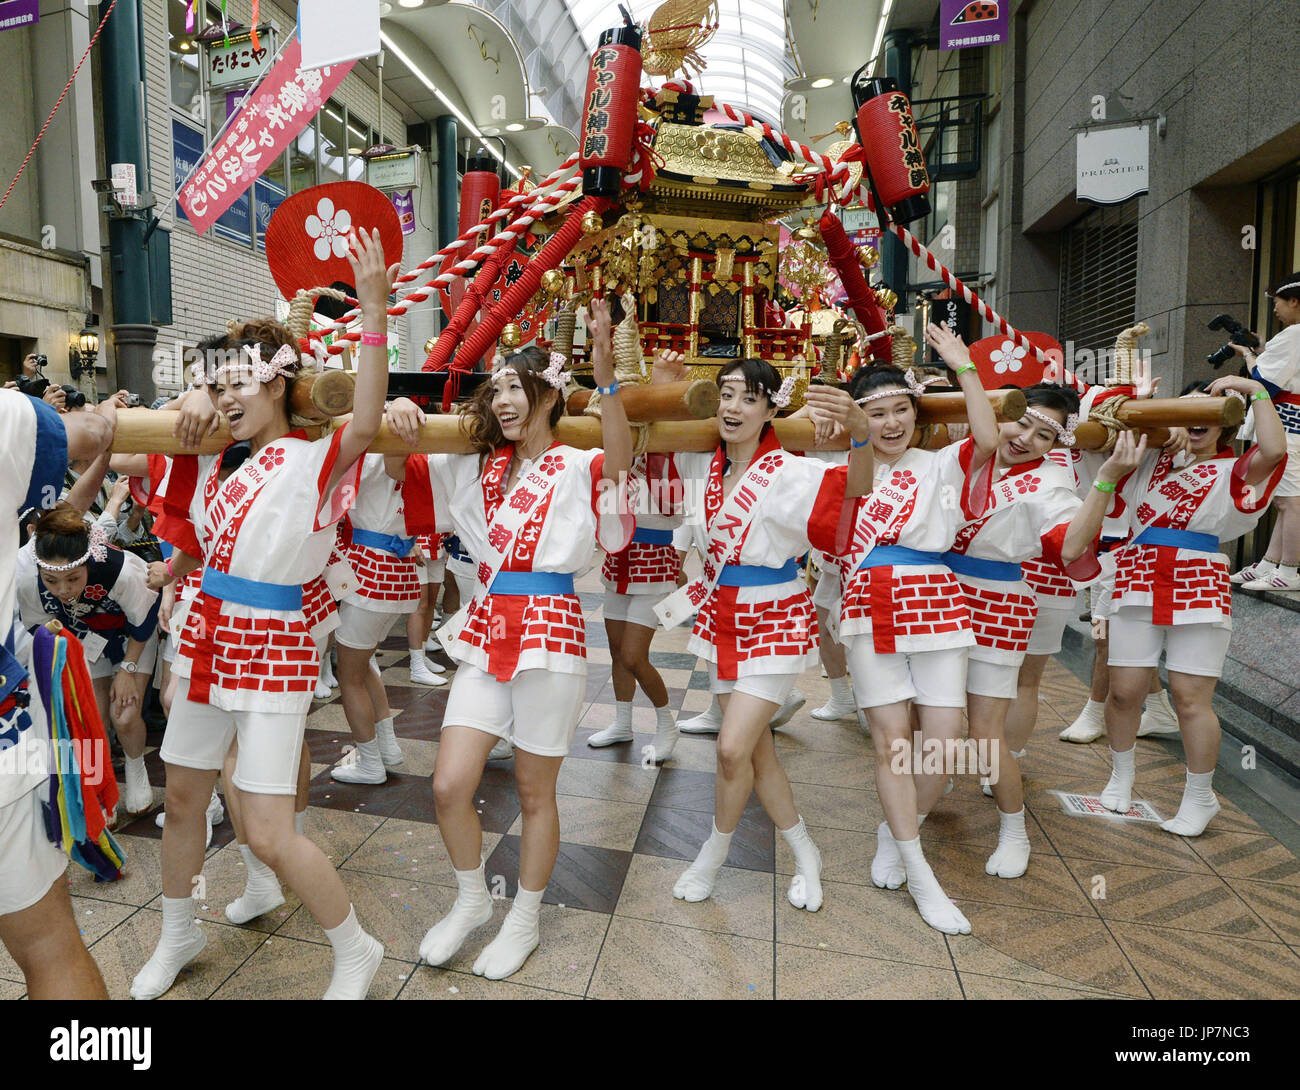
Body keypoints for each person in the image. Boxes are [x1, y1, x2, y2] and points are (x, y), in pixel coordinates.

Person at [130, 227, 396, 1000]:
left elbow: (370, 415)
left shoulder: (316, 460)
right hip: (206, 639)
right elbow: (174, 413)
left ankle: (355, 946)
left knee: (270, 829)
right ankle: (178, 931)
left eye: (239, 384)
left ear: (280, 383)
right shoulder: (218, 460)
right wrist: (192, 396)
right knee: (182, 797)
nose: (226, 400)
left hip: (275, 651)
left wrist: (374, 312)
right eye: (217, 388)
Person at [394, 300, 634, 980]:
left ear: (550, 393)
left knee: (535, 789)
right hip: (485, 625)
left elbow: (619, 464)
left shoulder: (580, 464)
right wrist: (400, 419)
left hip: (551, 633)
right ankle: (473, 901)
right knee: (448, 784)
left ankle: (523, 918)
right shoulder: (475, 467)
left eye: (514, 386)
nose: (501, 399)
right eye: (493, 388)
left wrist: (607, 370)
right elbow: (402, 469)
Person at [802, 325, 1000, 935]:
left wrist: (964, 366)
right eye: (875, 414)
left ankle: (896, 829)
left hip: (939, 602)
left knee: (947, 734)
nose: (890, 424)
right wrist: (844, 434)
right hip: (867, 607)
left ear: (916, 412)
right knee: (891, 740)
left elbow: (989, 437)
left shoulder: (940, 462)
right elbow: (847, 506)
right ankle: (918, 869)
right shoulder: (840, 468)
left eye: (899, 411)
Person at [662, 357, 856, 914]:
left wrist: (859, 437)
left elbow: (850, 498)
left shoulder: (795, 470)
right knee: (757, 754)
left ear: (773, 408)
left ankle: (711, 854)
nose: (733, 407)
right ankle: (805, 850)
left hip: (774, 614)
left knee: (730, 747)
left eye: (750, 398)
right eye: (726, 394)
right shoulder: (705, 469)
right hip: (721, 616)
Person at [939, 383, 1144, 877]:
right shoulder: (956, 454)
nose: (1026, 437)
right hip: (936, 593)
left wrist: (1106, 480)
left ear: (1057, 445)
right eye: (1021, 421)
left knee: (987, 732)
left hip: (997, 602)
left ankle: (1014, 829)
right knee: (929, 715)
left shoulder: (1049, 484)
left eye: (1044, 433)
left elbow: (1071, 545)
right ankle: (906, 823)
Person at [1096, 375, 1287, 835]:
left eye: (1208, 413)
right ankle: (1120, 776)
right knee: (1123, 691)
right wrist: (1146, 404)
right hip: (1137, 576)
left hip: (1197, 582)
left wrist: (1255, 388)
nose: (1197, 420)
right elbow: (1102, 420)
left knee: (1189, 698)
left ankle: (1200, 798)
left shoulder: (1233, 470)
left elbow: (1276, 451)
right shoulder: (1149, 457)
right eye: (1189, 410)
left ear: (1224, 426)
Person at [0, 387, 112, 999]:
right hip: (14, 727)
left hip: (68, 673)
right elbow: (92, 433)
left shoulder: (112, 569)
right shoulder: (22, 567)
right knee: (48, 945)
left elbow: (75, 510)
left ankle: (97, 811)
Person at [18, 504, 161, 818]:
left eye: (73, 578)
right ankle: (98, 788)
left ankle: (136, 769)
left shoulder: (117, 569)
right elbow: (40, 626)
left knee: (123, 713)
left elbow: (145, 616)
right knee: (91, 716)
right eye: (51, 581)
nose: (63, 590)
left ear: (86, 563)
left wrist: (128, 668)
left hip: (132, 635)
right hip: (83, 638)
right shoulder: (27, 578)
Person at [588, 369, 687, 762]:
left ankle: (667, 723)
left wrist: (663, 384)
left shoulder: (668, 453)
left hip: (654, 562)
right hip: (618, 558)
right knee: (616, 651)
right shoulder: (608, 456)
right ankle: (623, 721)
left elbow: (676, 510)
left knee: (633, 655)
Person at [328, 451, 438, 785]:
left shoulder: (371, 451)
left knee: (349, 676)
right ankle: (387, 750)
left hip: (371, 573)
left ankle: (370, 763)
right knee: (364, 666)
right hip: (398, 574)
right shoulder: (420, 456)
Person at [1231, 272, 1300, 591]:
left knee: (1290, 501)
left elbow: (1267, 384)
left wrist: (1248, 357)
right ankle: (1272, 563)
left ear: (1294, 302)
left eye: (1277, 302)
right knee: (1286, 499)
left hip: (1288, 426)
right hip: (1293, 425)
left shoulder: (1295, 333)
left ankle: (1288, 571)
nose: (1275, 309)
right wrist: (1259, 347)